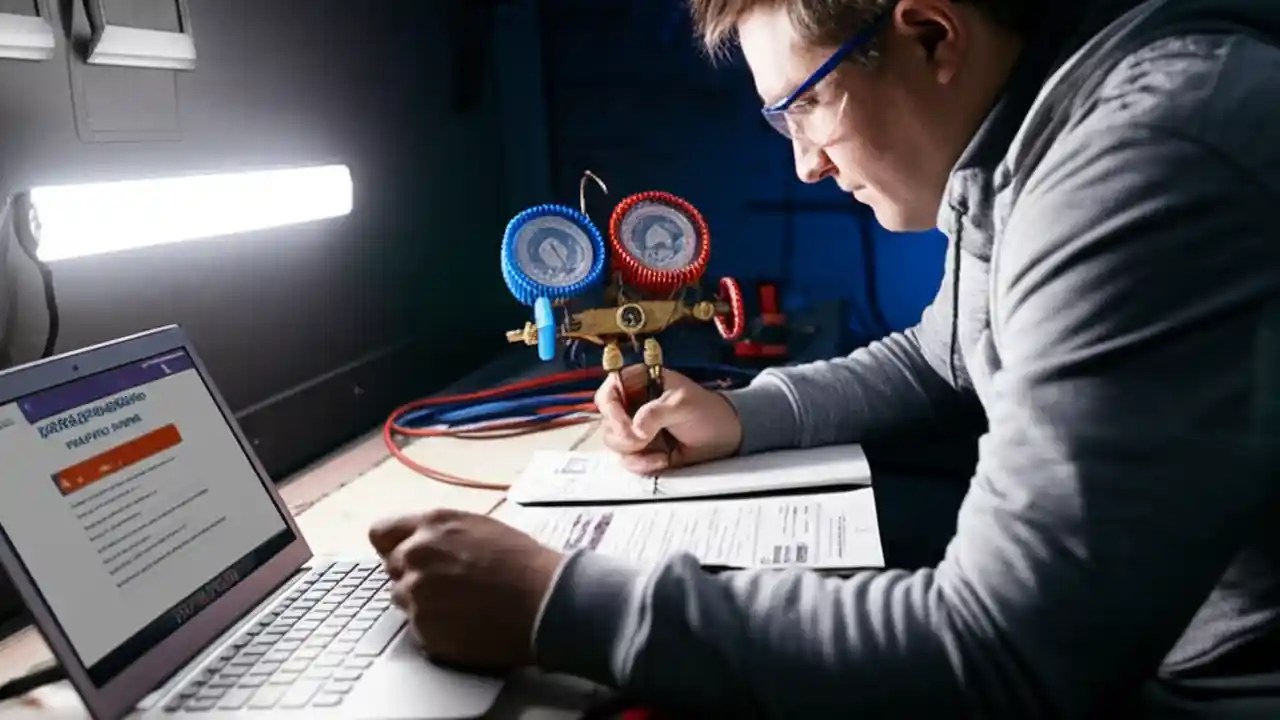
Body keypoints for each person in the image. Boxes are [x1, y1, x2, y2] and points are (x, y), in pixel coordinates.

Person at [368, 0, 1280, 716]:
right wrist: (742, 415)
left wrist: (556, 602)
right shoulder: (1030, 136)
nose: (805, 164)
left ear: (931, 36)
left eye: (805, 105)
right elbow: (942, 356)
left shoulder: (1142, 161)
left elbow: (1005, 654)